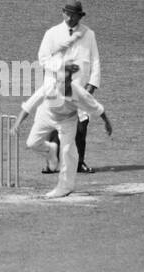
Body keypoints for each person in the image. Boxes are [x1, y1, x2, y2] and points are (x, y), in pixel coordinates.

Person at [12, 63, 112, 199]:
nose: (60, 85)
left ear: (69, 81)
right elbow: (29, 105)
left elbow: (96, 107)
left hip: (67, 121)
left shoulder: (78, 93)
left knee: (67, 151)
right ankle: (50, 150)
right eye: (58, 81)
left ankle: (65, 187)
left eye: (64, 82)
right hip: (46, 115)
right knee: (32, 143)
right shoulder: (49, 87)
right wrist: (16, 124)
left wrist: (107, 122)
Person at [38, 0, 101, 174]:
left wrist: (92, 84)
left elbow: (95, 60)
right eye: (70, 14)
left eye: (76, 16)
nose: (73, 18)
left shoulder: (88, 35)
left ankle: (79, 162)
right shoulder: (52, 34)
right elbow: (43, 58)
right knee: (54, 126)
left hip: (79, 89)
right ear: (63, 13)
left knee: (81, 126)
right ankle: (51, 163)